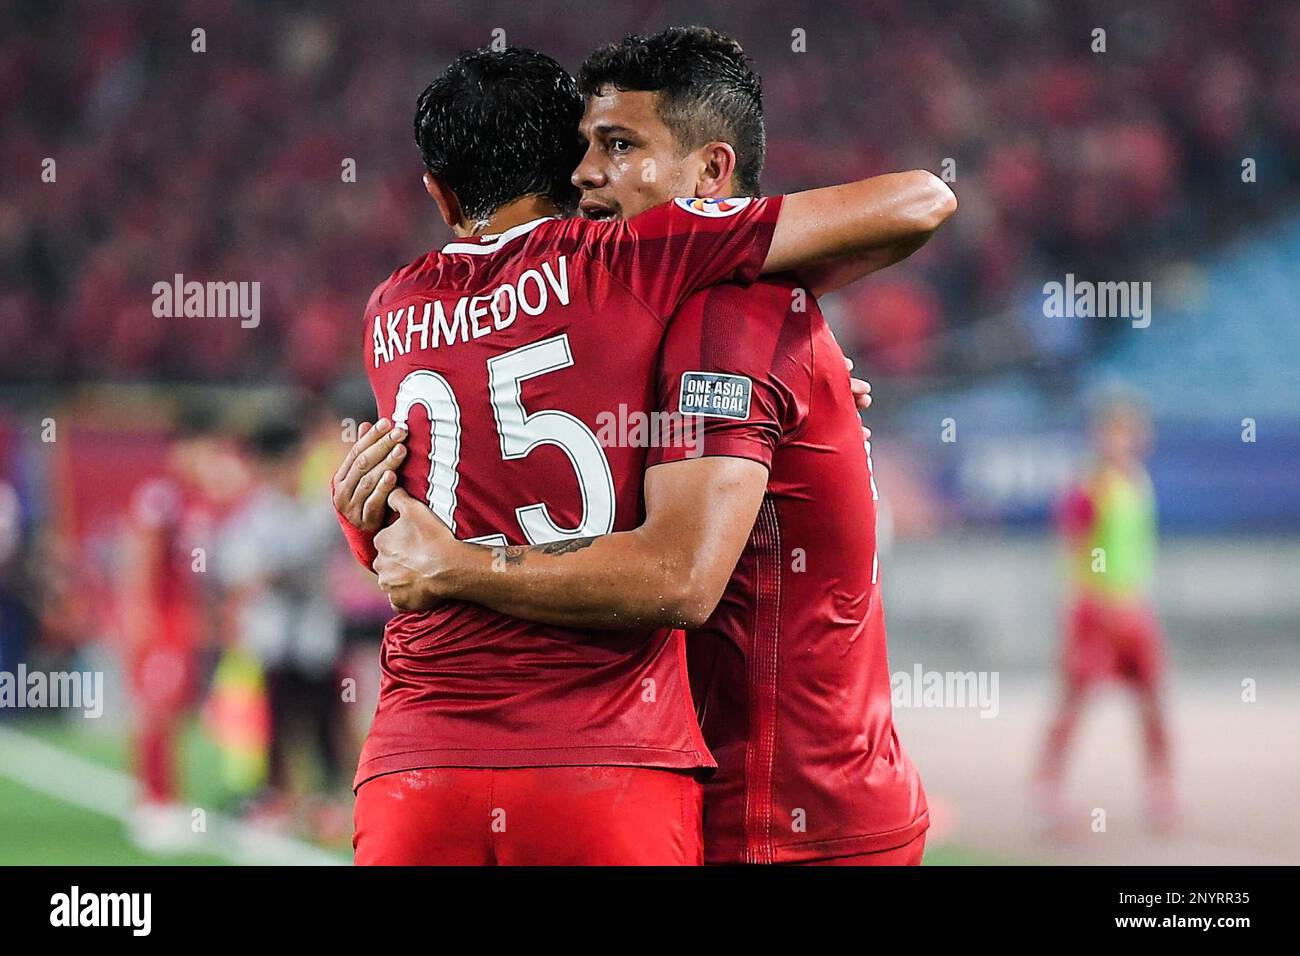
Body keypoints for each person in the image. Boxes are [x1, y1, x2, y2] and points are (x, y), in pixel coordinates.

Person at [334, 41, 950, 865]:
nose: (590, 172)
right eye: (585, 148)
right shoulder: (648, 294)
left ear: (710, 176)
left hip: (780, 812)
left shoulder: (393, 305)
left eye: (619, 146)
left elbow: (679, 577)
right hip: (656, 776)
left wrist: (444, 560)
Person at [1035, 395, 1175, 830]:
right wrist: (1090, 601)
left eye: (1127, 433)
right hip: (1096, 610)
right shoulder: (1090, 487)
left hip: (1132, 606)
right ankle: (1048, 789)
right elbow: (1073, 545)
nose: (1121, 441)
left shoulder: (1137, 483)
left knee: (1152, 698)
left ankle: (1160, 788)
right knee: (1075, 699)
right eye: (1113, 433)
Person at [219, 417, 347, 828]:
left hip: (315, 634)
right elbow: (241, 571)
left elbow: (325, 553)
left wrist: (279, 570)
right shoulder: (255, 514)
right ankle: (277, 798)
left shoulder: (319, 507)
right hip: (273, 636)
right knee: (276, 724)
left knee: (325, 721)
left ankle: (327, 801)